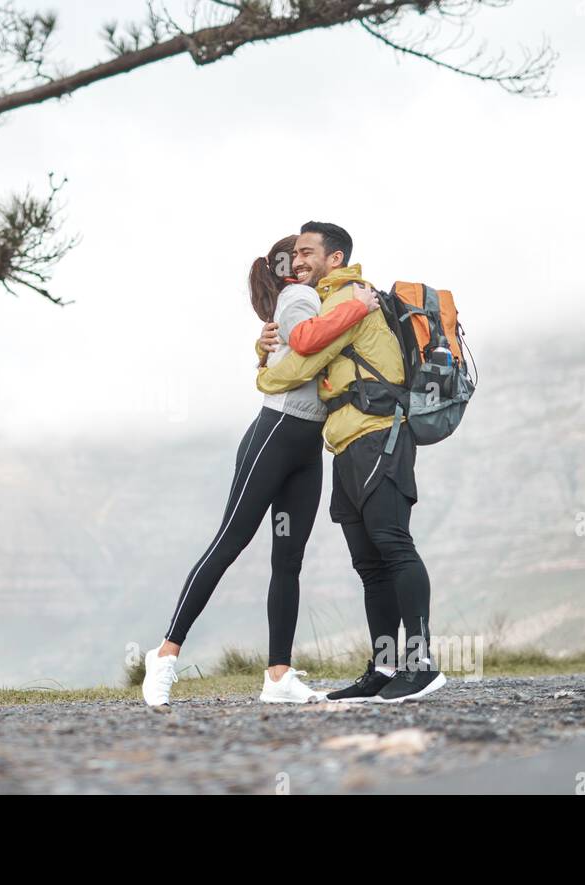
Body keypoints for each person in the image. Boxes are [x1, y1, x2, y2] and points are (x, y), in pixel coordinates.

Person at [141, 233, 376, 708]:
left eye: (314, 252)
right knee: (230, 541)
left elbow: (302, 348)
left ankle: (278, 676)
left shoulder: (317, 297)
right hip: (276, 432)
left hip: (306, 445)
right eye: (301, 254)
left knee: (289, 562)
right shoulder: (298, 297)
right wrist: (358, 310)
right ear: (289, 265)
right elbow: (308, 344)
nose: (307, 260)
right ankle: (164, 656)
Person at [255, 221, 447, 704]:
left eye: (306, 252)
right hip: (346, 443)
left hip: (378, 435)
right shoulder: (332, 302)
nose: (296, 261)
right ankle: (384, 668)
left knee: (392, 544)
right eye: (294, 254)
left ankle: (421, 665)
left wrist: (264, 374)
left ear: (334, 258)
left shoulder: (349, 300)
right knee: (369, 563)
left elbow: (299, 364)